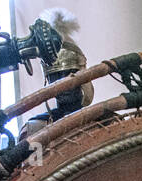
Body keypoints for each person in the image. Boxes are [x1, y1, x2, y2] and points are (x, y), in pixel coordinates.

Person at [20, 8, 93, 140]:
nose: (61, 81)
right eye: (55, 76)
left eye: (68, 74)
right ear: (48, 80)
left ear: (81, 74)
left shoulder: (105, 120)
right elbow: (34, 161)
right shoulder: (34, 130)